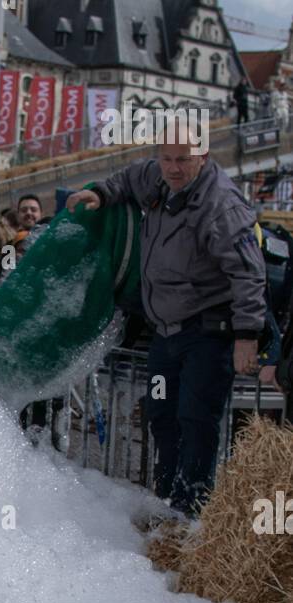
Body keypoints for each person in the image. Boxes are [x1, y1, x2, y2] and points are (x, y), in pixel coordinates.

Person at [68, 131, 266, 516]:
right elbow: (126, 179)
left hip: (206, 334)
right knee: (160, 413)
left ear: (203, 157)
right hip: (164, 334)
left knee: (195, 418)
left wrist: (246, 335)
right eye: (167, 158)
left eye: (183, 160)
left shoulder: (222, 205)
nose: (174, 168)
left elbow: (249, 273)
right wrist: (101, 194)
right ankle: (165, 499)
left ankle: (190, 507)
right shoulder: (155, 177)